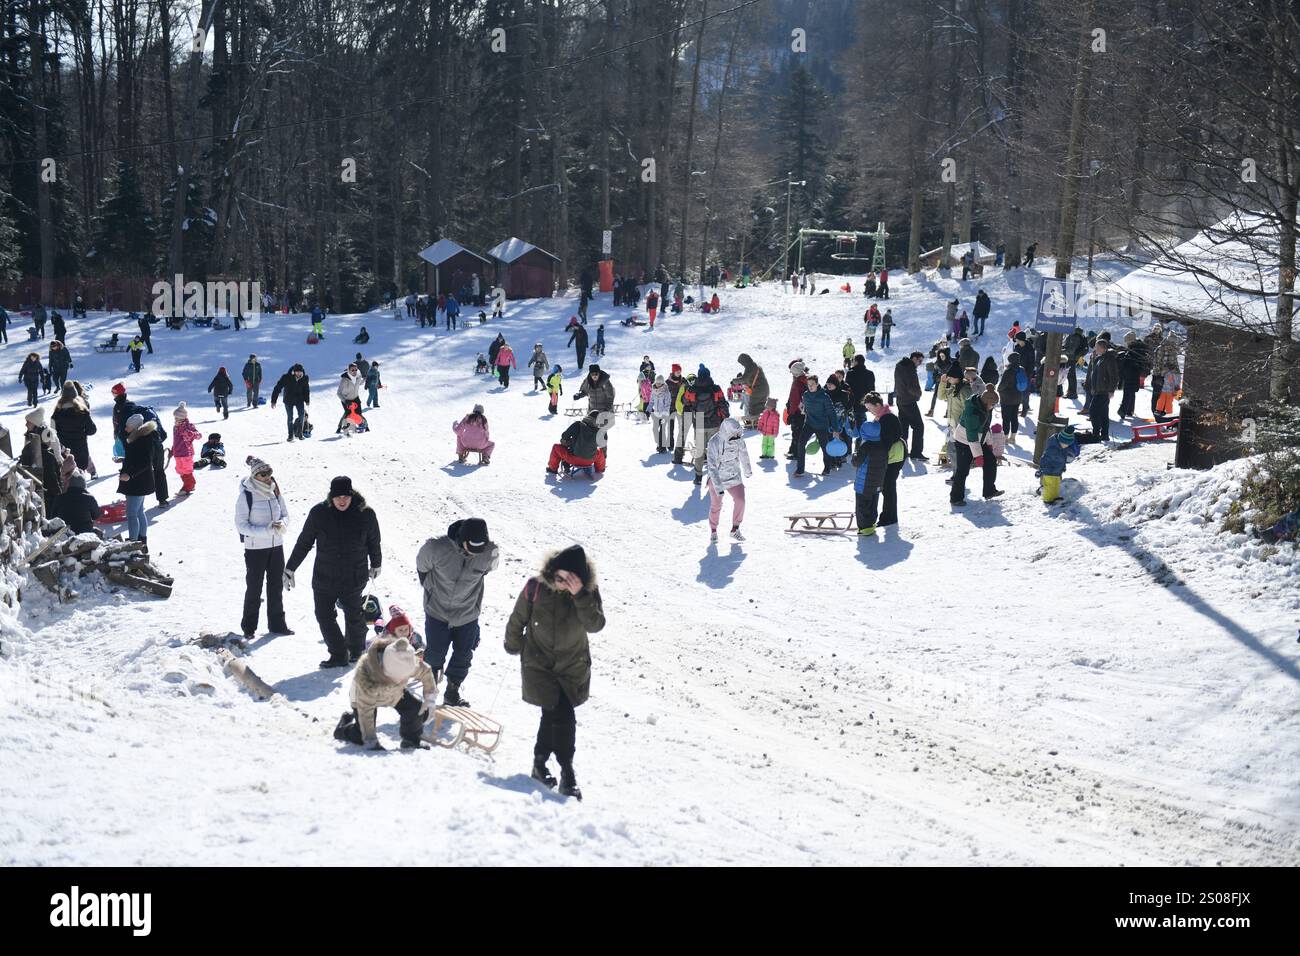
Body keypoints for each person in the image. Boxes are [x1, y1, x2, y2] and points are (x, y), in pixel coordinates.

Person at [504, 544, 605, 800]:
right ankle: (567, 772)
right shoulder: (536, 587)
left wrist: (580, 595)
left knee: (552, 715)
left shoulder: (587, 593)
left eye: (569, 581)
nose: (562, 584)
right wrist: (513, 644)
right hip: (539, 665)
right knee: (562, 715)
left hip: (572, 667)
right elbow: (518, 619)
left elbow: (595, 625)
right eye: (559, 578)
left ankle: (539, 764)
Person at [284, 476, 382, 668]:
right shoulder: (319, 513)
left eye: (346, 496)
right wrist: (290, 567)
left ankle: (355, 650)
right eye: (338, 497)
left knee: (353, 615)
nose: (342, 501)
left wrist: (376, 564)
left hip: (354, 575)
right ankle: (338, 653)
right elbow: (304, 542)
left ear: (352, 495)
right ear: (331, 496)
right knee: (323, 615)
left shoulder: (365, 514)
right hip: (325, 575)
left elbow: (374, 541)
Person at [415, 518, 499, 708]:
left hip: (467, 614)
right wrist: (430, 589)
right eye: (471, 548)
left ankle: (452, 692)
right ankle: (429, 691)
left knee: (464, 655)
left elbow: (491, 568)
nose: (475, 553)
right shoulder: (436, 548)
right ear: (461, 540)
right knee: (435, 655)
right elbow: (422, 566)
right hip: (437, 611)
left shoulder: (490, 552)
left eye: (479, 549)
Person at [332, 634, 436, 751]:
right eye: (398, 677)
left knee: (415, 709)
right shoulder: (366, 677)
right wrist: (371, 740)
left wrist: (430, 699)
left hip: (394, 692)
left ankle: (411, 739)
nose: (402, 679)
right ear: (387, 671)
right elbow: (366, 712)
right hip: (362, 697)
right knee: (361, 735)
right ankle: (341, 730)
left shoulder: (404, 659)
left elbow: (425, 671)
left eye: (405, 676)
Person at [236, 456, 293, 639]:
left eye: (269, 472)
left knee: (276, 586)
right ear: (254, 476)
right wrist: (266, 531)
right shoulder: (246, 495)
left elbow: (285, 514)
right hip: (255, 549)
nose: (267, 477)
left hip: (276, 546)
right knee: (254, 588)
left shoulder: (274, 490)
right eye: (263, 474)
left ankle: (277, 625)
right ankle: (249, 627)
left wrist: (282, 525)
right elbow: (241, 526)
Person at [852, 392, 904, 534]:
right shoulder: (882, 415)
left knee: (888, 487)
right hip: (888, 456)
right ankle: (888, 516)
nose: (869, 411)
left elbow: (887, 441)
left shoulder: (887, 418)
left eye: (870, 408)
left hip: (893, 457)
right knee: (885, 487)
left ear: (878, 404)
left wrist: (871, 449)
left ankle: (889, 517)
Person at [950, 384, 1002, 506]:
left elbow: (985, 427)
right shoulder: (972, 412)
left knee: (990, 461)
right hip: (964, 442)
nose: (993, 406)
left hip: (979, 440)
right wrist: (978, 456)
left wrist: (989, 444)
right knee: (962, 470)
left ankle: (989, 491)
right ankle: (956, 498)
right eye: (993, 404)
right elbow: (972, 436)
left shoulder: (986, 408)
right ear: (986, 402)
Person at [705, 417, 751, 542]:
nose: (737, 437)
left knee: (740, 500)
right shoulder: (714, 442)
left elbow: (744, 454)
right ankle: (713, 531)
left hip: (733, 475)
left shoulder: (738, 439)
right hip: (717, 477)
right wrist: (718, 487)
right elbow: (712, 466)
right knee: (716, 505)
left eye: (738, 434)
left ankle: (735, 529)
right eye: (734, 434)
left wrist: (747, 470)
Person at [683, 365, 728, 485]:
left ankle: (698, 477)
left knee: (699, 451)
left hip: (699, 422)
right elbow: (723, 403)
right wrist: (726, 417)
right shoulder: (716, 389)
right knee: (715, 450)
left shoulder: (692, 390)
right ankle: (714, 476)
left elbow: (685, 401)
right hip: (714, 422)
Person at [117, 413, 156, 544]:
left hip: (137, 482)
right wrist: (124, 460)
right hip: (139, 481)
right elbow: (137, 458)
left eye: (127, 426)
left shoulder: (142, 439)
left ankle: (133, 542)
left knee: (131, 513)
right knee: (139, 511)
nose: (125, 428)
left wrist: (130, 474)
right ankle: (142, 540)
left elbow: (145, 462)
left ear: (134, 427)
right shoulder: (138, 437)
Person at [793, 373, 837, 478]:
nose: (810, 386)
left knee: (824, 447)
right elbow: (805, 407)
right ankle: (800, 469)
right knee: (801, 443)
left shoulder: (824, 397)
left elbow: (832, 412)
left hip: (822, 426)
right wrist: (803, 409)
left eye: (812, 384)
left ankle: (827, 468)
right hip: (809, 424)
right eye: (808, 384)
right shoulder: (806, 395)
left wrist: (835, 429)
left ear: (817, 384)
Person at [51, 383, 97, 475]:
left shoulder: (57, 413)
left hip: (64, 452)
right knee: (80, 477)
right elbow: (92, 430)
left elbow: (53, 432)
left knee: (67, 477)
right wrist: (82, 432)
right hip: (80, 450)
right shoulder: (82, 412)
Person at [1085, 339, 1121, 440]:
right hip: (1098, 390)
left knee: (1093, 411)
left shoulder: (1109, 359)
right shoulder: (1099, 358)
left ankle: (1096, 433)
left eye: (1096, 347)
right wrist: (1093, 387)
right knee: (1103, 413)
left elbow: (1114, 376)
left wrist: (1111, 390)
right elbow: (1095, 374)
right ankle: (1104, 435)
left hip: (1104, 390)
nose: (1095, 349)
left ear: (1102, 348)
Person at [894, 352, 927, 460]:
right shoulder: (909, 369)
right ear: (914, 358)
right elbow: (911, 387)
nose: (920, 363)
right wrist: (919, 393)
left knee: (903, 427)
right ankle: (916, 452)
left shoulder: (900, 366)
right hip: (909, 401)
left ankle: (902, 451)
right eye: (919, 360)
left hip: (900, 400)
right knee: (919, 426)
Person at [167, 403, 203, 495]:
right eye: (175, 418)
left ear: (183, 418)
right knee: (180, 470)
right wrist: (172, 450)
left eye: (178, 418)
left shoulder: (188, 426)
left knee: (186, 470)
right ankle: (191, 484)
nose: (176, 420)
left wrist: (189, 433)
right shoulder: (175, 427)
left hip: (186, 452)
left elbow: (199, 436)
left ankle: (188, 487)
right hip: (178, 452)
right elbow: (176, 440)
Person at [1037, 425, 1079, 504]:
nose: (1066, 446)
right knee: (1049, 487)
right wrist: (1041, 469)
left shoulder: (1063, 448)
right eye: (1065, 444)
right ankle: (1047, 499)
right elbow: (1044, 459)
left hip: (1057, 471)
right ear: (1060, 440)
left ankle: (1054, 497)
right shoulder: (1052, 449)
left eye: (1067, 444)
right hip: (1049, 471)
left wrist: (1063, 467)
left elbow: (1063, 459)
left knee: (1056, 485)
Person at [270, 363, 310, 441]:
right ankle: (290, 435)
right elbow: (277, 388)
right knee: (290, 418)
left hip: (299, 400)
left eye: (300, 372)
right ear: (294, 372)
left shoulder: (305, 378)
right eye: (297, 372)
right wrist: (273, 401)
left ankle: (300, 434)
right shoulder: (286, 377)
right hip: (288, 400)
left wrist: (307, 400)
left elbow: (306, 390)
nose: (299, 373)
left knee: (302, 416)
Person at [1117, 331, 1149, 418]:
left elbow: (1130, 362)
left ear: (1130, 340)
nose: (1126, 343)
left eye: (1127, 341)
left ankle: (1123, 410)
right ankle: (1129, 410)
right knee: (1131, 392)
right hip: (1134, 373)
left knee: (1127, 392)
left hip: (1131, 373)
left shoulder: (1134, 349)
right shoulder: (1138, 348)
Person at [997, 353, 1024, 441]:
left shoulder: (1008, 371)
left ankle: (1005, 438)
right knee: (1014, 417)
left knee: (1006, 418)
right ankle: (1013, 437)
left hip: (1007, 399)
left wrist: (998, 389)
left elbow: (1003, 385)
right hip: (1018, 397)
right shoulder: (1022, 369)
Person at [336, 362, 363, 433]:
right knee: (348, 414)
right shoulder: (344, 380)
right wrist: (345, 401)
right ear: (348, 370)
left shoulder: (358, 377)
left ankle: (362, 426)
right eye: (352, 370)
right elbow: (338, 393)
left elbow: (359, 383)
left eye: (356, 370)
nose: (354, 371)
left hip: (355, 398)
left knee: (358, 413)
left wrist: (366, 380)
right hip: (347, 399)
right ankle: (341, 427)